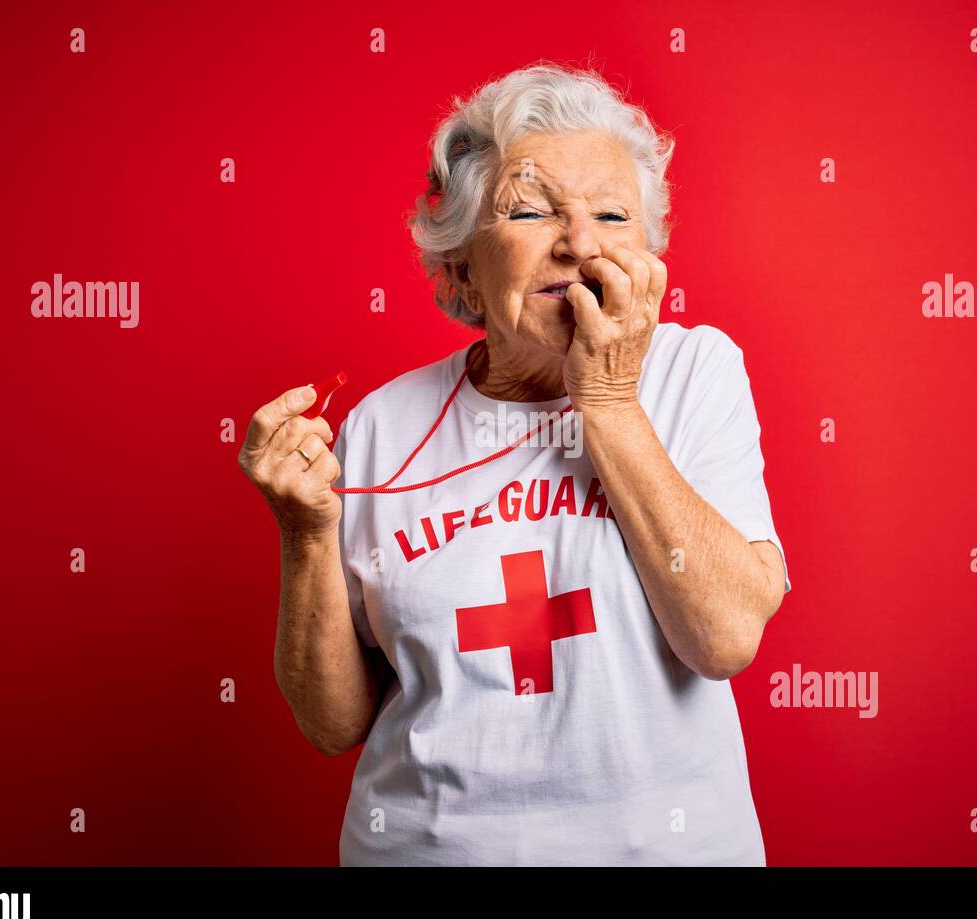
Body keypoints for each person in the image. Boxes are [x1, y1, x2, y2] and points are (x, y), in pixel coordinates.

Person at [238, 62, 791, 865]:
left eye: (611, 214)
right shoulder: (382, 428)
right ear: (461, 266)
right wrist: (304, 533)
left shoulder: (693, 373)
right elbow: (333, 725)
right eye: (531, 212)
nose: (580, 243)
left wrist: (605, 399)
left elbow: (726, 638)